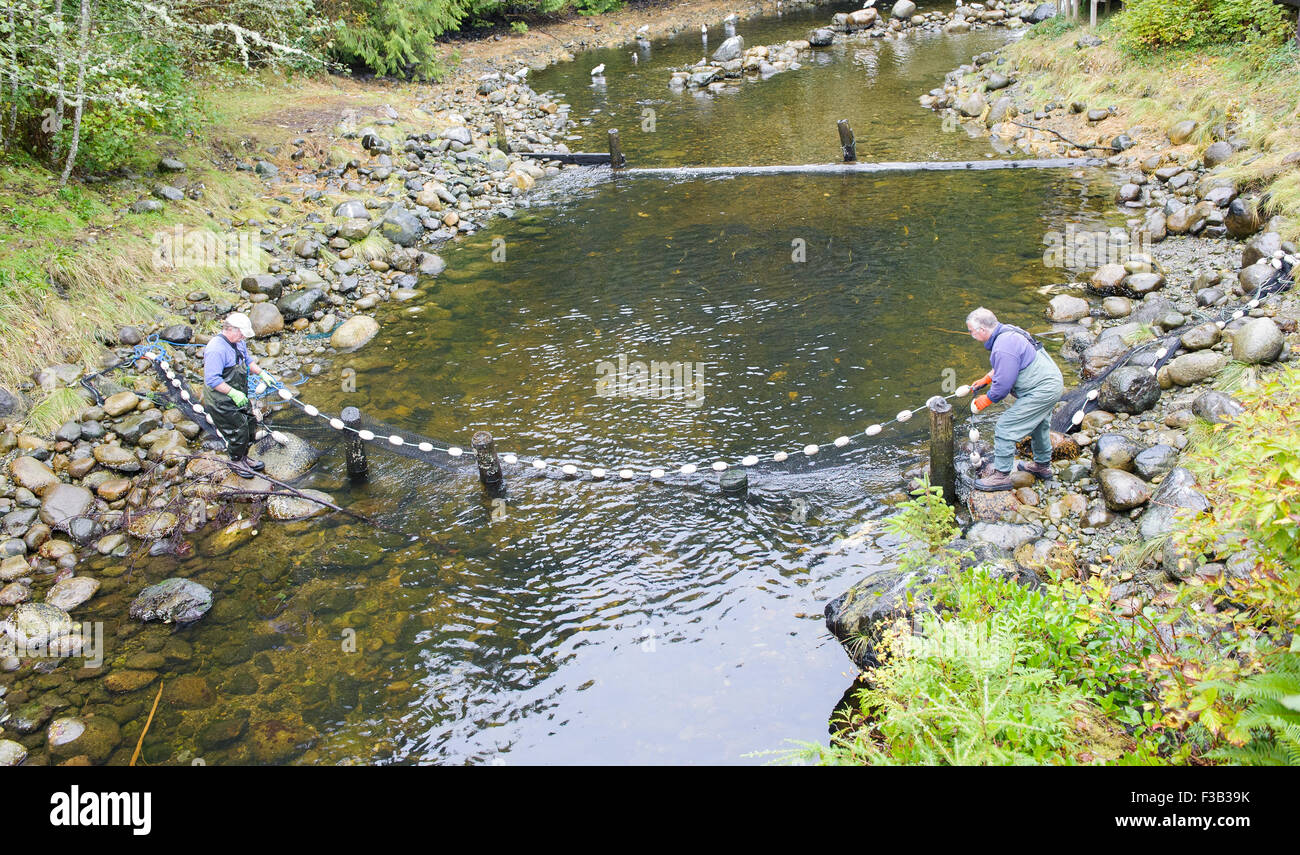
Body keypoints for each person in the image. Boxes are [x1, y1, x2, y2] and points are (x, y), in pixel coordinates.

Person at [965, 307, 1064, 492]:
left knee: (1005, 427)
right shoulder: (1007, 332)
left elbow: (1002, 386)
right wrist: (987, 378)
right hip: (1051, 383)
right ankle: (1042, 466)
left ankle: (1001, 475)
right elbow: (1010, 364)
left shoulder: (1003, 346)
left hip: (1041, 389)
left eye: (971, 332)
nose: (971, 335)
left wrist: (986, 399)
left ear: (982, 330)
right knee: (1039, 426)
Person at [203, 313, 268, 479]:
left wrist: (262, 373)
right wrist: (232, 392)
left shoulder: (239, 342)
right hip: (221, 400)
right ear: (229, 329)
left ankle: (244, 457)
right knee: (237, 431)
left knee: (251, 423)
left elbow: (247, 360)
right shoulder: (216, 349)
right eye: (241, 333)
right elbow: (212, 379)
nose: (243, 336)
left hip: (239, 395)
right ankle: (236, 461)